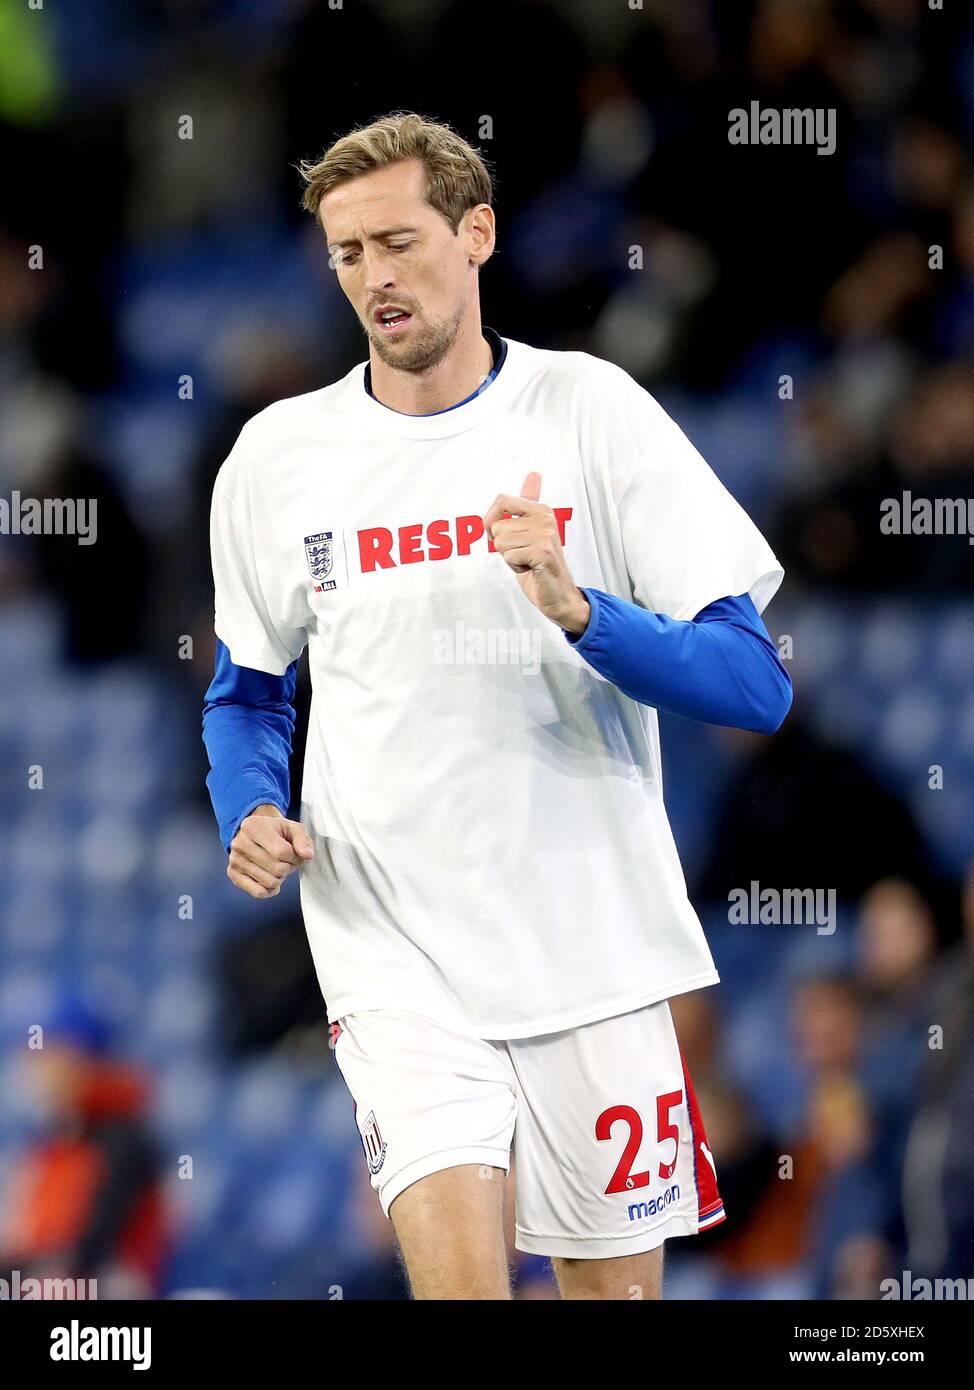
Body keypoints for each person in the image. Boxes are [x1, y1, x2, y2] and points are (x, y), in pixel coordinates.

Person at [202, 111, 792, 1300]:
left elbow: (753, 683)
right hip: (391, 942)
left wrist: (584, 613)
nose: (374, 276)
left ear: (475, 234)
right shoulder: (277, 456)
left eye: (399, 241)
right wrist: (250, 804)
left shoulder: (590, 411)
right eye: (348, 253)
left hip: (593, 942)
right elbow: (245, 693)